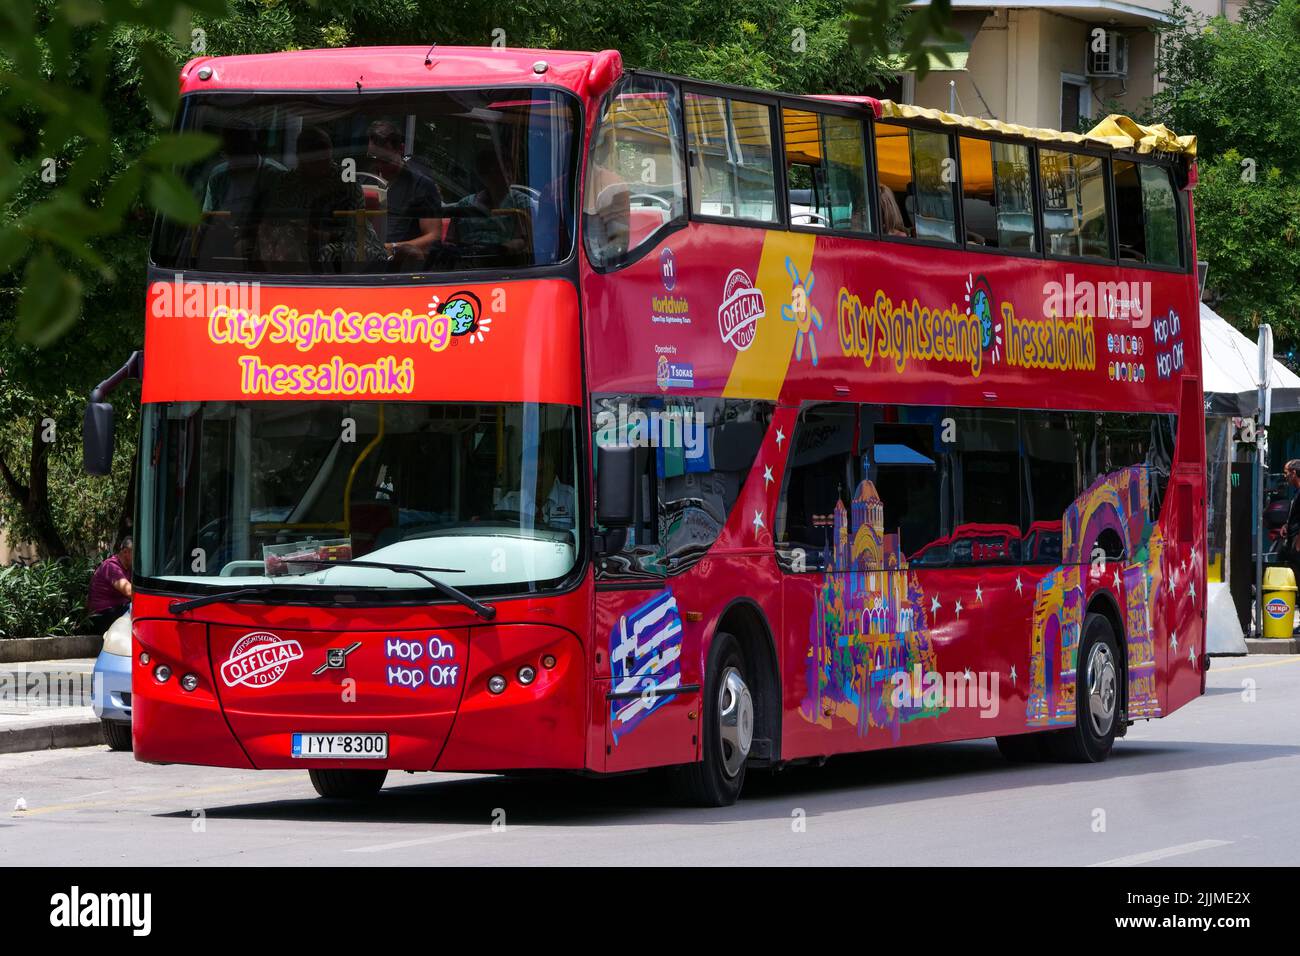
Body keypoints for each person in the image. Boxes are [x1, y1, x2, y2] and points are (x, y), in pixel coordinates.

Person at [366, 119, 443, 264]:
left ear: (400, 149)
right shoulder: (366, 180)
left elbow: (434, 236)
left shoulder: (422, 186)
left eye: (385, 159)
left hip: (402, 264)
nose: (379, 164)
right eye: (373, 158)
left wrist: (393, 248)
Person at [445, 147, 533, 255]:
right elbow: (450, 241)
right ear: (483, 175)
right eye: (498, 171)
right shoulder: (464, 204)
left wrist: (501, 250)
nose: (508, 176)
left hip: (504, 263)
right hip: (466, 262)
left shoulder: (521, 203)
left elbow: (526, 241)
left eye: (509, 170)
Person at [88, 536, 133, 635]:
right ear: (126, 552)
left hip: (115, 611)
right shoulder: (111, 566)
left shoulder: (128, 568)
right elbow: (130, 592)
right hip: (101, 615)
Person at [1278, 460, 1300, 585]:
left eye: (1286, 472)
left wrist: (1298, 543)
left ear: (1294, 473)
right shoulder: (1296, 492)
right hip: (1292, 539)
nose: (1285, 476)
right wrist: (1286, 525)